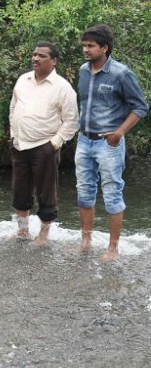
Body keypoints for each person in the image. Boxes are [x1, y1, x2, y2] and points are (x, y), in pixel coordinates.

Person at [74, 25, 148, 261]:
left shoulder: (120, 73)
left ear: (104, 48)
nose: (86, 49)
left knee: (112, 193)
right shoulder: (83, 71)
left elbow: (140, 107)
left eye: (91, 46)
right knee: (84, 192)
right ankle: (85, 242)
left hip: (109, 143)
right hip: (84, 140)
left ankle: (113, 248)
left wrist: (119, 133)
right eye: (84, 45)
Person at [9, 41, 78, 246]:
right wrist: (14, 135)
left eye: (42, 56)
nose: (36, 58)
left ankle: (43, 236)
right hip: (19, 145)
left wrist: (54, 144)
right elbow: (13, 107)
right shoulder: (23, 79)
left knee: (46, 192)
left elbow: (71, 121)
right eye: (34, 54)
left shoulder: (63, 87)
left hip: (44, 146)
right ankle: (22, 231)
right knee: (20, 190)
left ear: (53, 61)